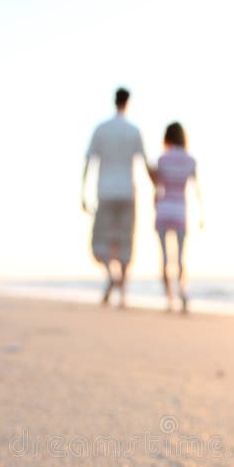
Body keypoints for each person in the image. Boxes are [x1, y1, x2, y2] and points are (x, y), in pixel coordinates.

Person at [81, 88, 152, 307]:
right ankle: (123, 292)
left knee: (101, 241)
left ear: (114, 101)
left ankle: (111, 277)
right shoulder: (133, 130)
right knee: (125, 241)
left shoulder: (101, 129)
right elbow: (146, 164)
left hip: (105, 191)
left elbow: (89, 161)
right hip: (127, 192)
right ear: (127, 102)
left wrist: (83, 192)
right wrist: (158, 188)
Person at [153, 122, 202, 312]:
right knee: (180, 258)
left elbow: (158, 188)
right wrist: (201, 213)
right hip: (180, 210)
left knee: (165, 258)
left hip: (163, 209)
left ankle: (169, 299)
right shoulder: (190, 160)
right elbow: (196, 189)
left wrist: (155, 204)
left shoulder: (162, 159)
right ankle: (181, 291)